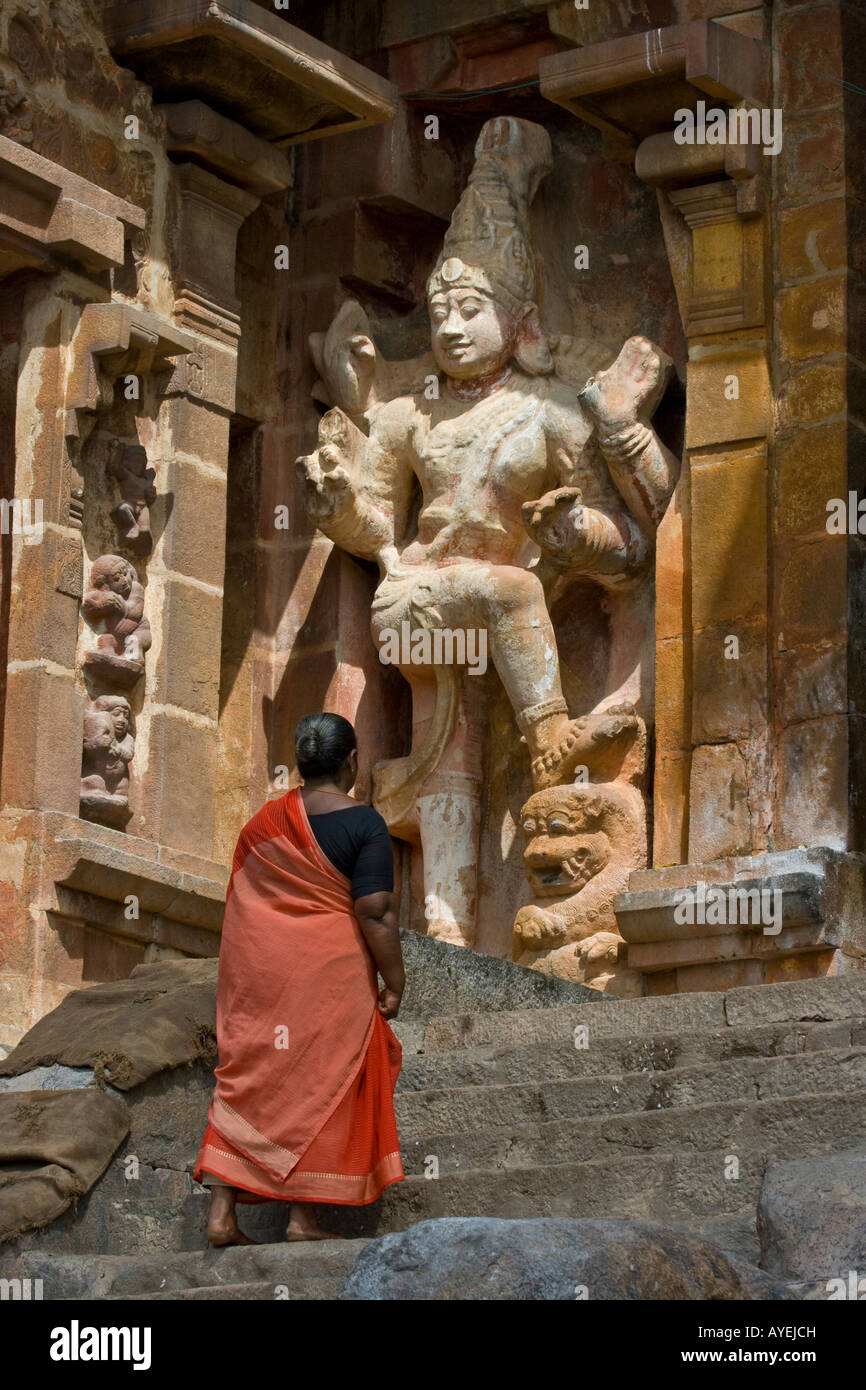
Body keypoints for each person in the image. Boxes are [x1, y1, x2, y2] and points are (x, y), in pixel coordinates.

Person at [194, 712, 405, 1244]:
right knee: (325, 1078)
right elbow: (375, 910)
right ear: (352, 762)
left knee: (250, 1078)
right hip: (327, 973)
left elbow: (242, 907)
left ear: (301, 765)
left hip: (259, 974)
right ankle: (302, 1219)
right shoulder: (365, 824)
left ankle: (221, 1215)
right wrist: (395, 980)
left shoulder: (261, 825)